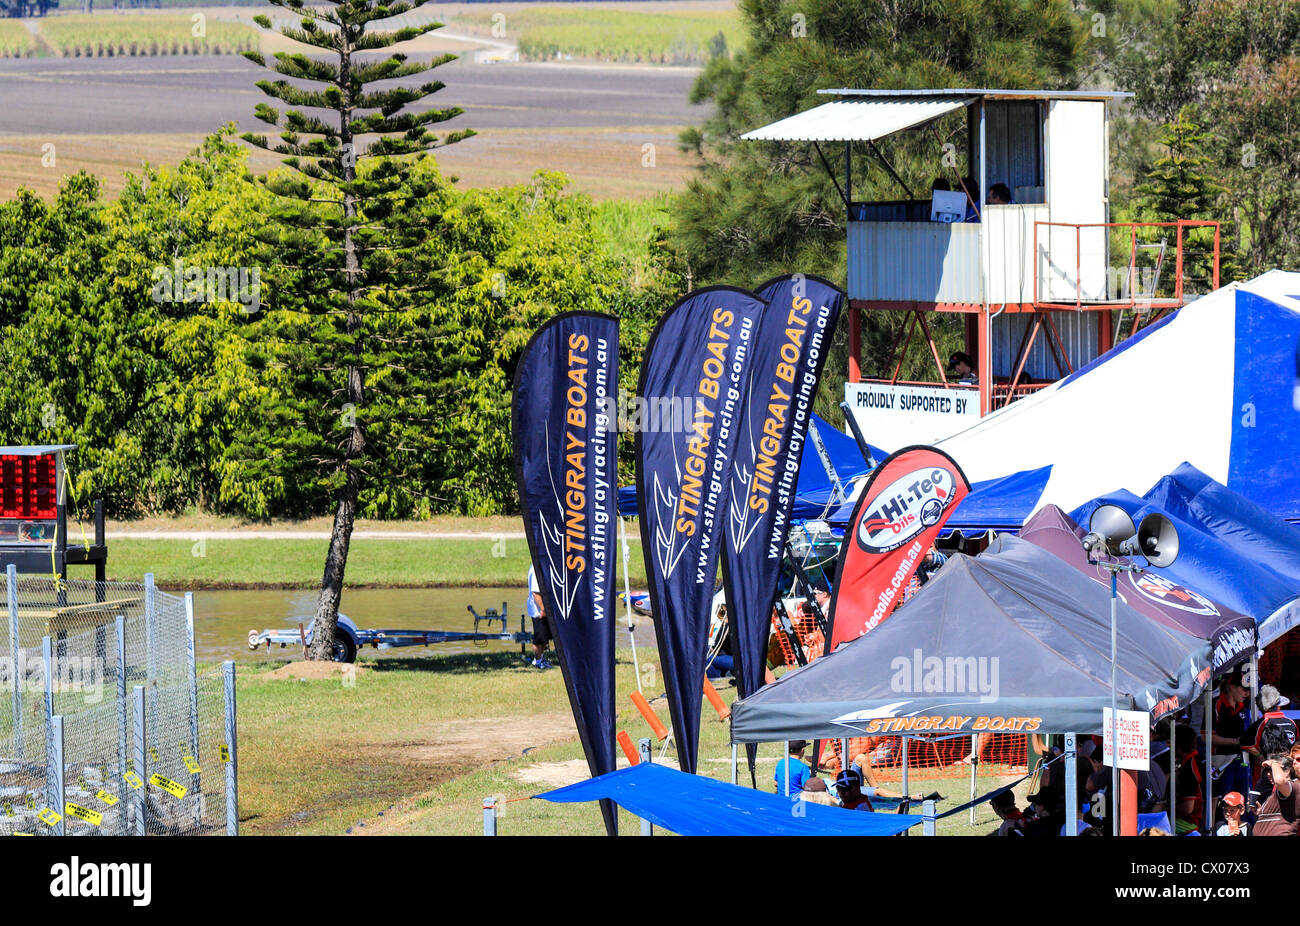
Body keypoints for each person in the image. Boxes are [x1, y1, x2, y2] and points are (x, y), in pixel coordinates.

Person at [1254, 753, 1300, 836]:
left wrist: (1274, 762)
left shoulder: (1294, 786)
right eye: (1267, 771)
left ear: (1287, 771)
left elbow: (1279, 781)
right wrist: (1262, 813)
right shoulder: (1280, 791)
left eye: (1272, 770)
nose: (1268, 774)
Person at [525, 564, 553, 670]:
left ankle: (541, 658)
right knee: (539, 637)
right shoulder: (536, 569)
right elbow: (536, 593)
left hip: (543, 608)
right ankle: (537, 661)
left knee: (545, 636)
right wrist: (543, 609)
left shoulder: (542, 566)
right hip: (538, 610)